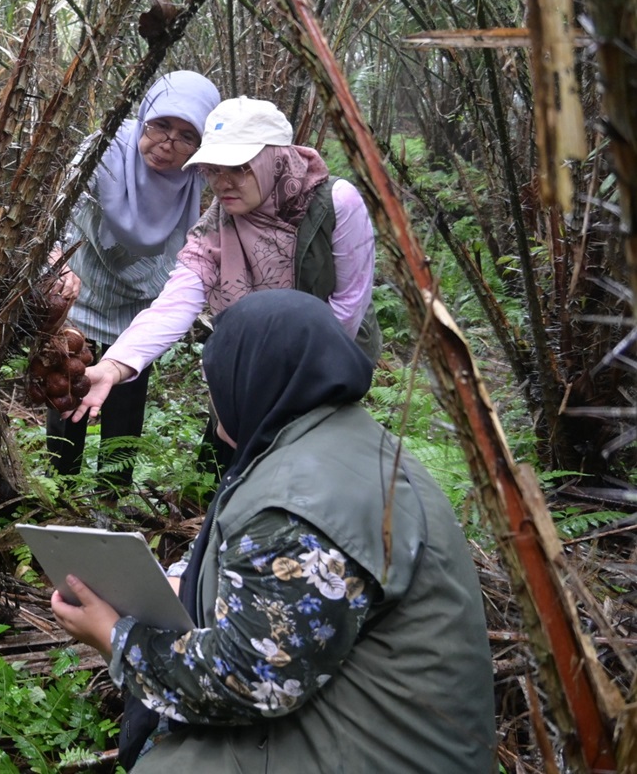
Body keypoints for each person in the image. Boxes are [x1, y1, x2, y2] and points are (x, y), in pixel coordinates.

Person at [51, 290, 496, 771]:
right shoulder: (347, 443)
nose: (215, 401)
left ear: (254, 379)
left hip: (386, 749)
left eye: (217, 382)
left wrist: (118, 638)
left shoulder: (297, 504)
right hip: (400, 722)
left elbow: (245, 682)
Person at [73, 96, 381, 437]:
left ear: (273, 159)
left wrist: (290, 387)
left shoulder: (336, 202)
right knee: (226, 456)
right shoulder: (217, 226)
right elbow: (176, 301)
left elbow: (349, 303)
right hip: (249, 366)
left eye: (239, 168)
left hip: (327, 360)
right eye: (214, 170)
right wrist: (116, 365)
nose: (223, 183)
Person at [46, 71, 220, 488]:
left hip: (140, 310)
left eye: (186, 135)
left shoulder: (198, 177)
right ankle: (59, 496)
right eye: (160, 125)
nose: (167, 143)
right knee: (67, 399)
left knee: (124, 409)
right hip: (78, 298)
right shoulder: (103, 148)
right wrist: (56, 265)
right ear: (144, 117)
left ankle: (111, 500)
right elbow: (54, 212)